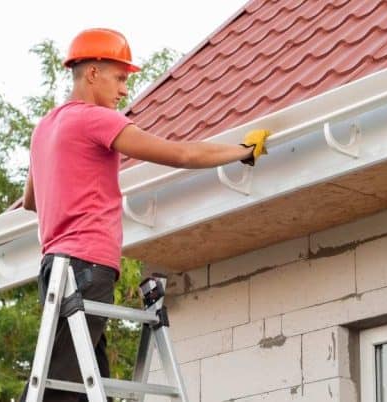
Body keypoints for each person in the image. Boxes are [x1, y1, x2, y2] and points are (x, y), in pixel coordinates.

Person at [18, 28, 270, 402]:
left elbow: (30, 201)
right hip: (87, 267)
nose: (124, 90)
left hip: (54, 271)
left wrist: (71, 193)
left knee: (86, 386)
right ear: (93, 72)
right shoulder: (96, 119)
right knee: (56, 387)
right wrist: (242, 151)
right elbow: (181, 154)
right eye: (120, 78)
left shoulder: (44, 128)